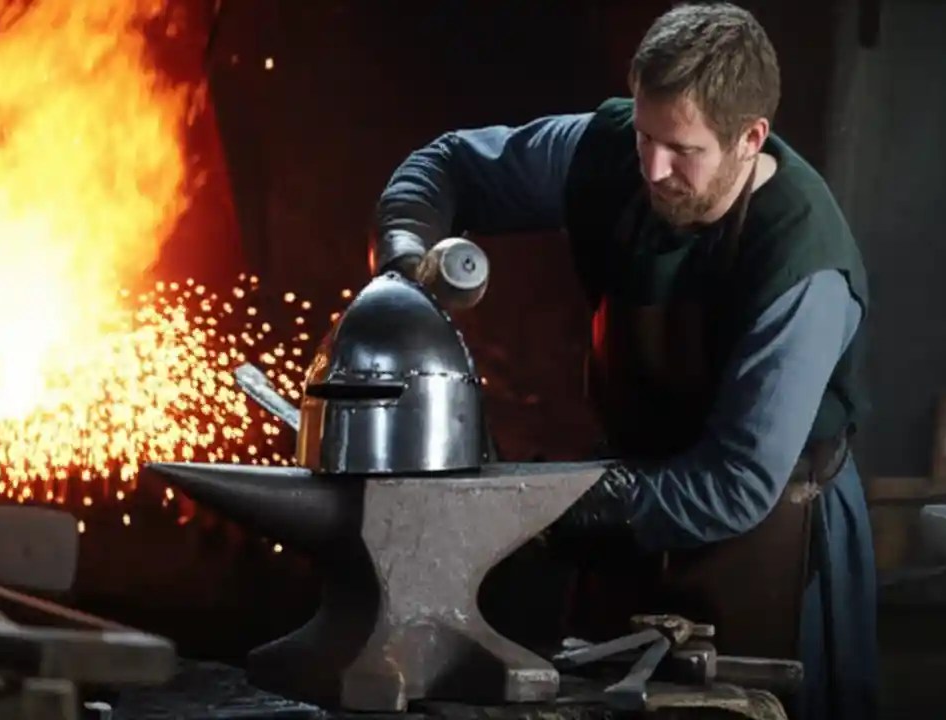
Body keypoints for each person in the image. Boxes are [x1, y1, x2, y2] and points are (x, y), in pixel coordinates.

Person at [367, 3, 877, 720]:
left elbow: (735, 483)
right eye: (645, 136)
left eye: (683, 150)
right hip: (634, 512)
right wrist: (404, 260)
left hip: (774, 542)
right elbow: (447, 165)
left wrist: (559, 503)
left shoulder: (802, 263)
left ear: (749, 138)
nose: (654, 168)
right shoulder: (613, 152)